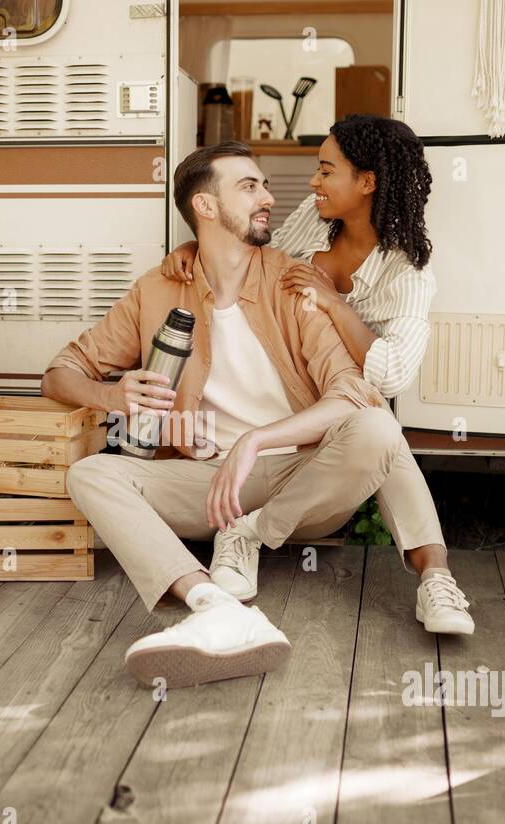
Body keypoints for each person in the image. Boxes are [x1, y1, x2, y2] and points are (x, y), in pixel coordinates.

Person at [43, 141, 432, 692]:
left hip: (301, 481)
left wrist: (255, 441)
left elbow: (351, 392)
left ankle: (251, 537)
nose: (268, 196)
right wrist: (111, 396)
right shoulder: (157, 288)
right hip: (207, 487)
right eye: (249, 187)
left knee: (376, 427)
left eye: (264, 184)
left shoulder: (291, 283)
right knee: (89, 473)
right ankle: (212, 604)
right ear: (205, 207)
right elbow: (58, 374)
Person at [160, 115, 474, 638]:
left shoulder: (407, 273)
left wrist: (334, 303)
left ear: (367, 183)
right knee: (383, 431)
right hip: (289, 387)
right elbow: (252, 256)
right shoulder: (313, 217)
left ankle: (255, 532)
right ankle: (435, 576)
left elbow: (393, 373)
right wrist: (193, 249)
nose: (312, 182)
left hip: (340, 407)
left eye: (327, 170)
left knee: (378, 424)